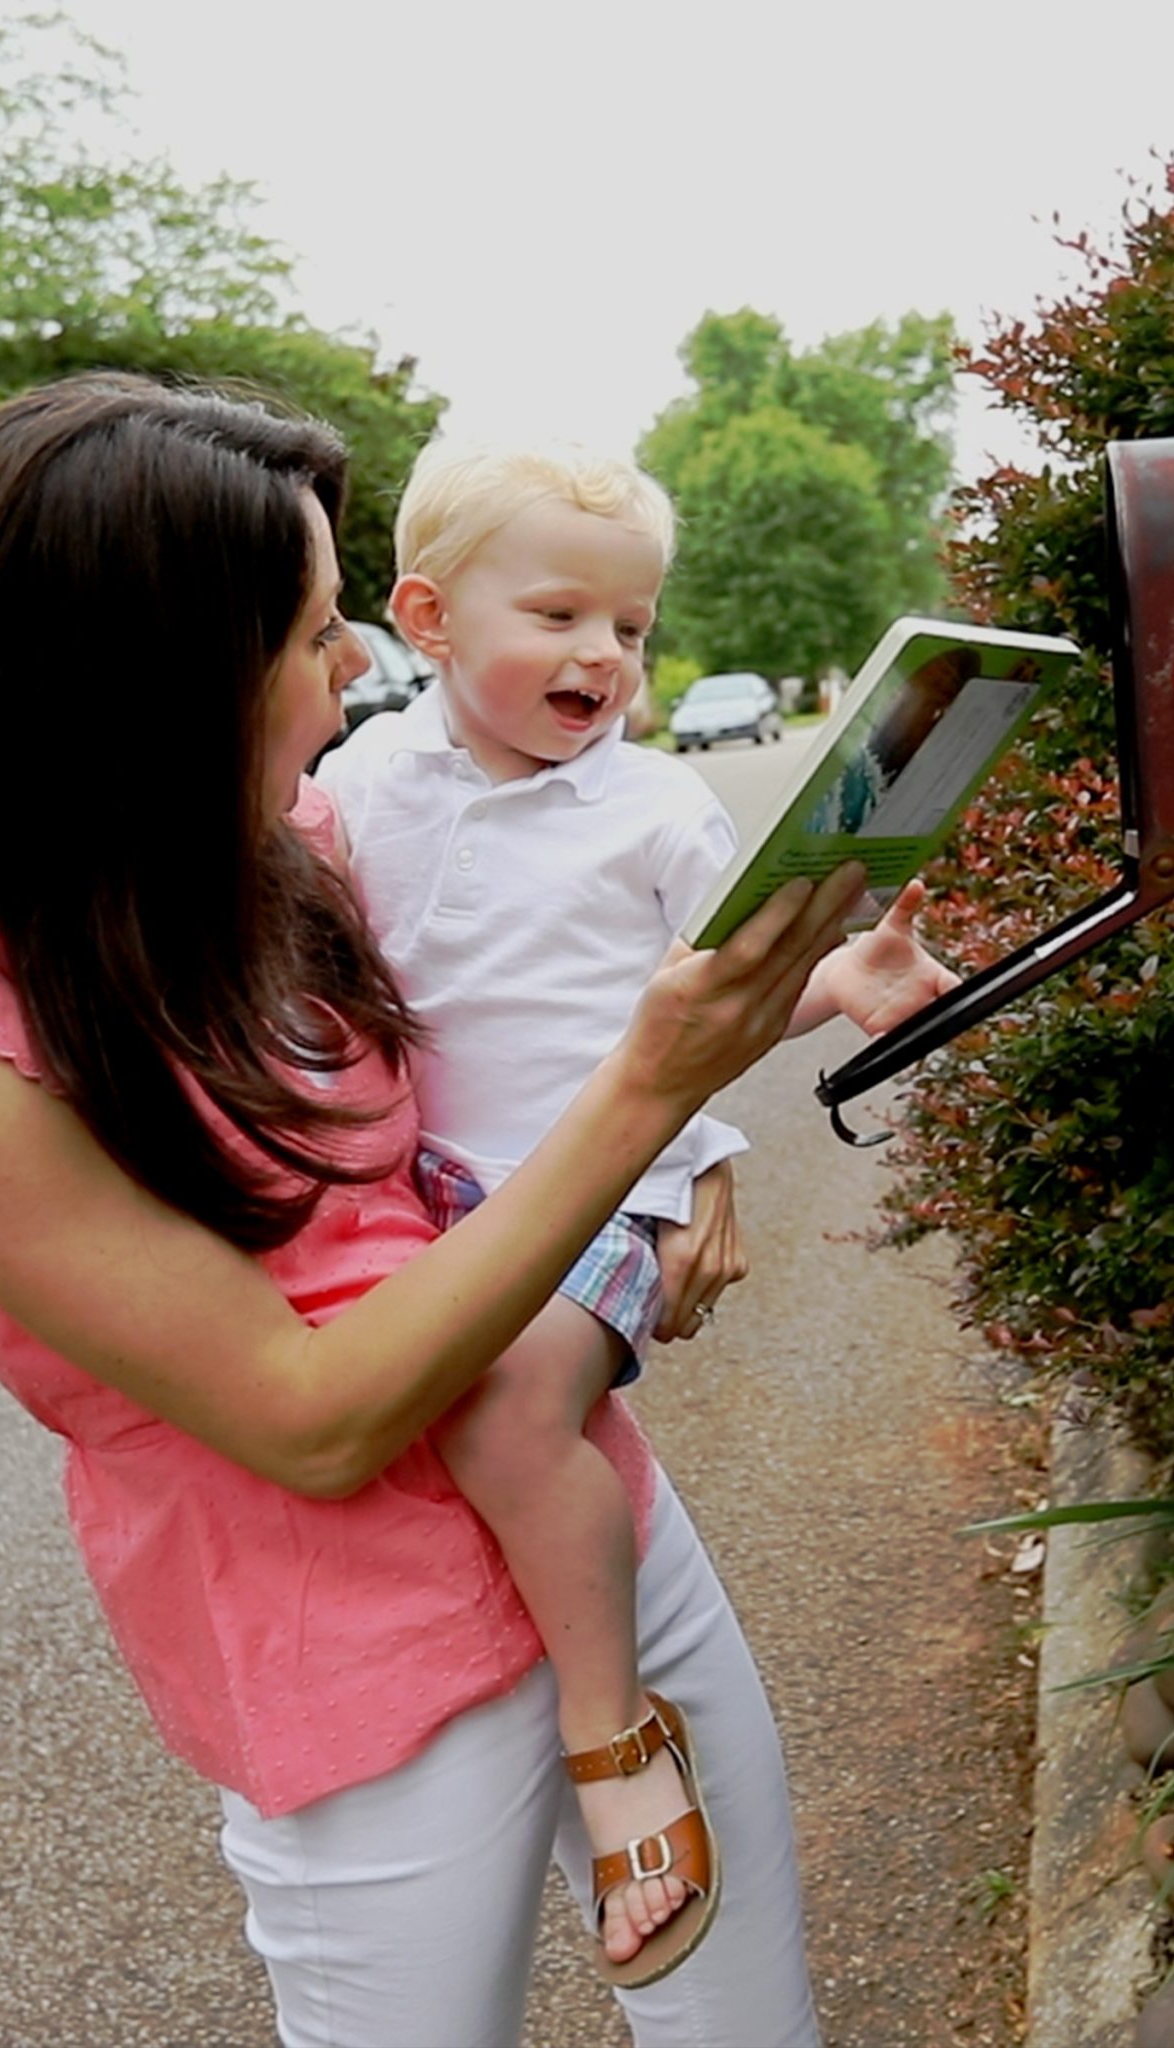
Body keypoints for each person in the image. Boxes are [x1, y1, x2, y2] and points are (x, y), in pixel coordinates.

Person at [0, 372, 867, 2048]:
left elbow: (508, 1046)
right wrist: (652, 1095)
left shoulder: (289, 852)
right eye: (312, 633)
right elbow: (314, 1418)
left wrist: (677, 1167)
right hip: (355, 1655)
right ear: (147, 673)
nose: (360, 675)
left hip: (583, 1531)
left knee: (750, 2028)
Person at [314, 439, 956, 1985]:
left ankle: (611, 1733)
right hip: (419, 1185)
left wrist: (839, 987)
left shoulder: (658, 809)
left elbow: (723, 999)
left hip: (598, 1186)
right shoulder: (352, 787)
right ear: (428, 616)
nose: (605, 655)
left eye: (634, 627)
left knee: (512, 1399)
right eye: (560, 616)